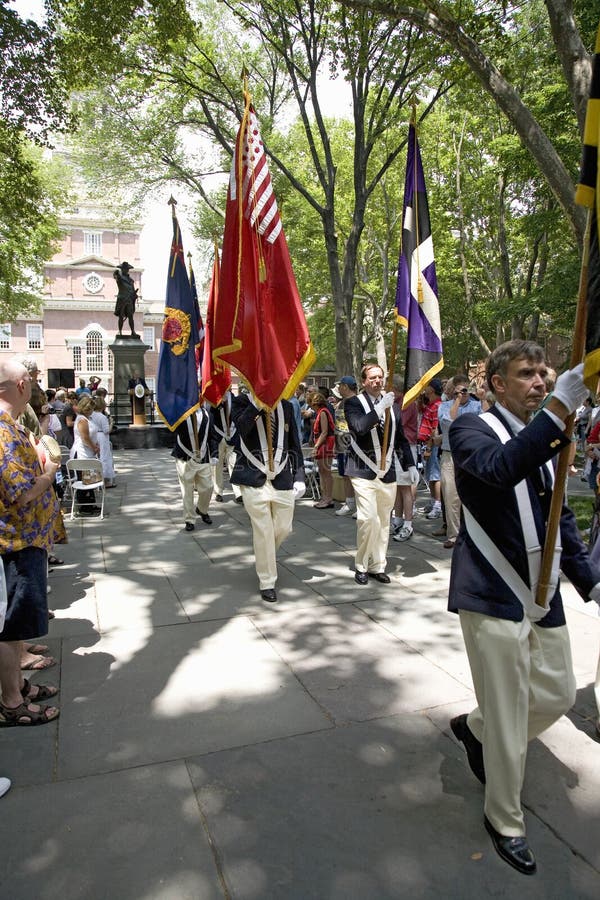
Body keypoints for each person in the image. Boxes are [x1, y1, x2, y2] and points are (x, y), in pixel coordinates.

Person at [448, 340, 599, 876]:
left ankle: (477, 729)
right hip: (492, 591)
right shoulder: (469, 428)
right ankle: (505, 820)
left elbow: (562, 516)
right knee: (511, 714)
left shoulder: (549, 437)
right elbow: (497, 469)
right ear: (496, 383)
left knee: (557, 691)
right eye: (526, 373)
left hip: (543, 590)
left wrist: (589, 579)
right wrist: (559, 408)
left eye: (545, 373)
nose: (539, 380)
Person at [0, 358, 61, 727]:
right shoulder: (3, 432)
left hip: (24, 541)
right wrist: (49, 474)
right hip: (15, 543)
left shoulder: (9, 426)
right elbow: (20, 492)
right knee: (11, 626)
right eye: (30, 381)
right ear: (21, 385)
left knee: (17, 625)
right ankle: (11, 701)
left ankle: (17, 687)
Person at [345, 363, 417, 585]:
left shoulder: (393, 406)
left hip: (387, 471)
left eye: (380, 377)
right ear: (364, 381)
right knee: (367, 519)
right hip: (362, 469)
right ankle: (361, 564)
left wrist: (410, 465)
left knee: (383, 521)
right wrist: (379, 410)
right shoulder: (354, 403)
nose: (377, 381)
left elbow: (400, 439)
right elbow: (358, 427)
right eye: (372, 378)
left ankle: (378, 565)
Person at [230, 391, 305, 602]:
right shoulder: (242, 401)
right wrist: (256, 403)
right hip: (252, 475)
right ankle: (267, 581)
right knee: (263, 530)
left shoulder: (287, 407)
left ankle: (264, 555)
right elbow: (242, 429)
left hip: (281, 476)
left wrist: (300, 476)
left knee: (284, 527)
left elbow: (294, 444)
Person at [435, 374, 482, 549]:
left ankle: (473, 535)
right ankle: (454, 535)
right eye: (461, 389)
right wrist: (456, 400)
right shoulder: (444, 406)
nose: (464, 392)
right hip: (450, 455)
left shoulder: (477, 406)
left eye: (466, 389)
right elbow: (449, 423)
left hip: (471, 456)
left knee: (472, 497)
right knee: (451, 496)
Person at [172, 405, 218, 532]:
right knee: (187, 490)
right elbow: (173, 428)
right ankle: (189, 519)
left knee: (208, 487)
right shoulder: (181, 412)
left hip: (203, 456)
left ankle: (202, 509)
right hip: (184, 457)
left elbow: (212, 436)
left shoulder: (207, 414)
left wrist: (214, 454)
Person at [391, 374, 419, 541]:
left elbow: (398, 423)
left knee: (405, 488)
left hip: (406, 448)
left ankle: (408, 524)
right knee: (398, 487)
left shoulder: (406, 403)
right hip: (396, 448)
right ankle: (398, 519)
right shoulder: (397, 403)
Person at [209, 390, 242, 503]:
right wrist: (219, 403)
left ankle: (238, 493)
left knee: (234, 463)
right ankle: (218, 492)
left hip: (232, 435)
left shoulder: (235, 398)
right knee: (217, 466)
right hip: (218, 436)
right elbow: (211, 414)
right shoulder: (215, 399)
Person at [418, 378, 443, 518]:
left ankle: (438, 505)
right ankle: (433, 501)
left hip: (432, 446)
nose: (425, 388)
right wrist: (420, 398)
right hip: (426, 444)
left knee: (435, 476)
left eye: (427, 386)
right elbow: (419, 409)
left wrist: (428, 447)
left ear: (432, 389)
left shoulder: (438, 406)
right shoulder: (430, 404)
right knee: (429, 475)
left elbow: (435, 429)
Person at [334, 376, 358, 518]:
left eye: (340, 386)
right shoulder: (342, 403)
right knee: (344, 474)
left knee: (355, 476)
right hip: (341, 444)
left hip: (352, 444)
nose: (338, 389)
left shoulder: (356, 402)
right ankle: (349, 502)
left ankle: (360, 505)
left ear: (345, 387)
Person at [310, 390, 336, 508]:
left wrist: (316, 446)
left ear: (315, 403)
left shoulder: (323, 413)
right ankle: (325, 497)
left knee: (326, 472)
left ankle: (328, 498)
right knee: (323, 471)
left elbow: (324, 432)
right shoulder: (321, 412)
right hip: (324, 445)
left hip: (325, 445)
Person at [113, 261, 139, 337]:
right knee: (121, 316)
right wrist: (116, 273)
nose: (125, 270)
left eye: (127, 269)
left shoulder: (131, 280)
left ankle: (133, 331)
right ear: (122, 269)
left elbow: (132, 289)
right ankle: (120, 331)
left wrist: (135, 294)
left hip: (129, 300)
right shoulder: (120, 277)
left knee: (130, 316)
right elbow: (115, 276)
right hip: (122, 299)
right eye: (124, 268)